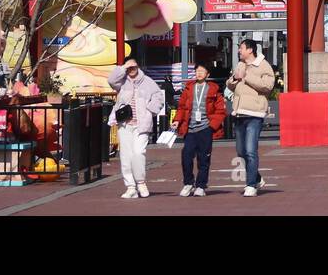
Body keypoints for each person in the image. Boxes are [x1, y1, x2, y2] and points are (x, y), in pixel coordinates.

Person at [108, 57, 165, 199]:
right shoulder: (121, 81)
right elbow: (111, 80)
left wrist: (150, 111)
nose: (131, 70)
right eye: (128, 67)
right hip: (125, 124)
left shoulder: (148, 82)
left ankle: (141, 182)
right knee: (126, 156)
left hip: (142, 124)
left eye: (133, 66)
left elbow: (159, 97)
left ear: (138, 66)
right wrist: (123, 68)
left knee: (139, 153)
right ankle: (130, 186)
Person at [226, 38, 275, 197]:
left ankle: (251, 184)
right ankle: (257, 177)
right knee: (241, 152)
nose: (239, 51)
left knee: (250, 150)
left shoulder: (263, 65)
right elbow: (230, 84)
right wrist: (234, 79)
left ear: (250, 50)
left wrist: (246, 77)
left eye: (241, 48)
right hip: (239, 112)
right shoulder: (240, 65)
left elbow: (267, 86)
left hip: (254, 113)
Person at [175, 64, 226, 197]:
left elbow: (220, 110)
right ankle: (188, 183)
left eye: (202, 71)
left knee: (203, 158)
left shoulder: (214, 89)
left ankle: (201, 185)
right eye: (197, 71)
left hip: (205, 128)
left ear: (207, 74)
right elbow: (181, 107)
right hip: (190, 128)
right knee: (186, 156)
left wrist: (211, 126)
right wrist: (176, 120)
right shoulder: (188, 88)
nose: (199, 73)